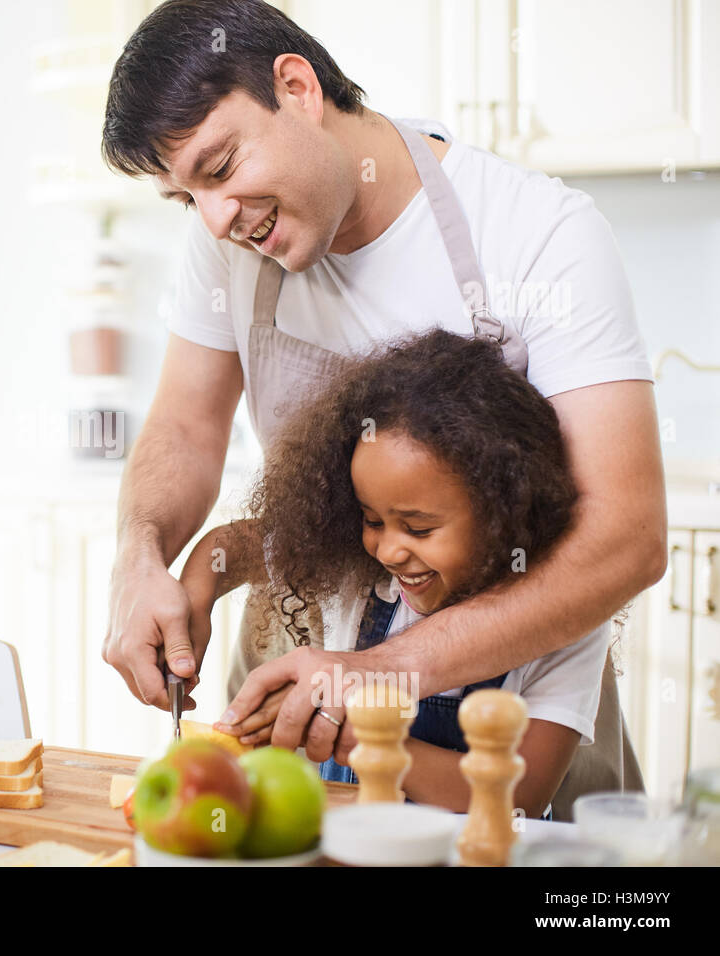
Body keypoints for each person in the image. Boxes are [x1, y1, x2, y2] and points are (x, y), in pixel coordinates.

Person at [98, 0, 664, 817]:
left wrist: (375, 681)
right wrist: (141, 555)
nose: (216, 221)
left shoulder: (540, 234)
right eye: (187, 199)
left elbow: (627, 540)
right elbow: (186, 426)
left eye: (220, 169)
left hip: (503, 691)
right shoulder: (224, 241)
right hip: (298, 668)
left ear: (295, 87)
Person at [179, 329, 608, 818]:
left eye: (419, 528)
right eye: (372, 520)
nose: (388, 549)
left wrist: (369, 735)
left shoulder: (565, 627)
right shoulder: (360, 573)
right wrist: (195, 598)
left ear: (504, 513)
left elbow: (520, 795)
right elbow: (228, 547)